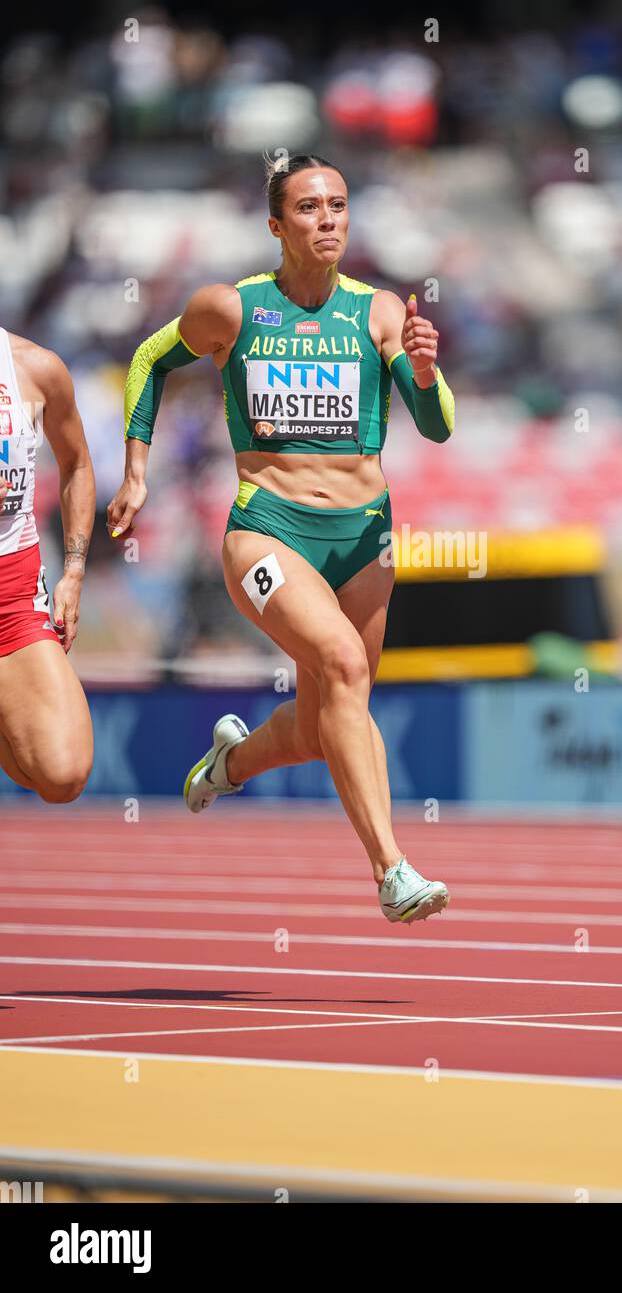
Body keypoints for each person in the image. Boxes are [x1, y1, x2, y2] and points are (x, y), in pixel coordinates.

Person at [108, 153, 454, 923]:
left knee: (320, 721)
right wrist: (135, 472)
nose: (327, 219)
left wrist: (426, 377)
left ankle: (229, 762)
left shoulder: (379, 313)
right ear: (276, 225)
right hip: (268, 531)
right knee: (336, 663)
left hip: (367, 540)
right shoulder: (232, 310)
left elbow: (434, 428)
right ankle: (392, 870)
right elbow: (147, 361)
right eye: (307, 207)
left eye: (337, 205)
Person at [0, 328, 94, 800]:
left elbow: (76, 465)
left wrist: (73, 572)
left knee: (63, 775)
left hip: (12, 596)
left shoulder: (35, 369)